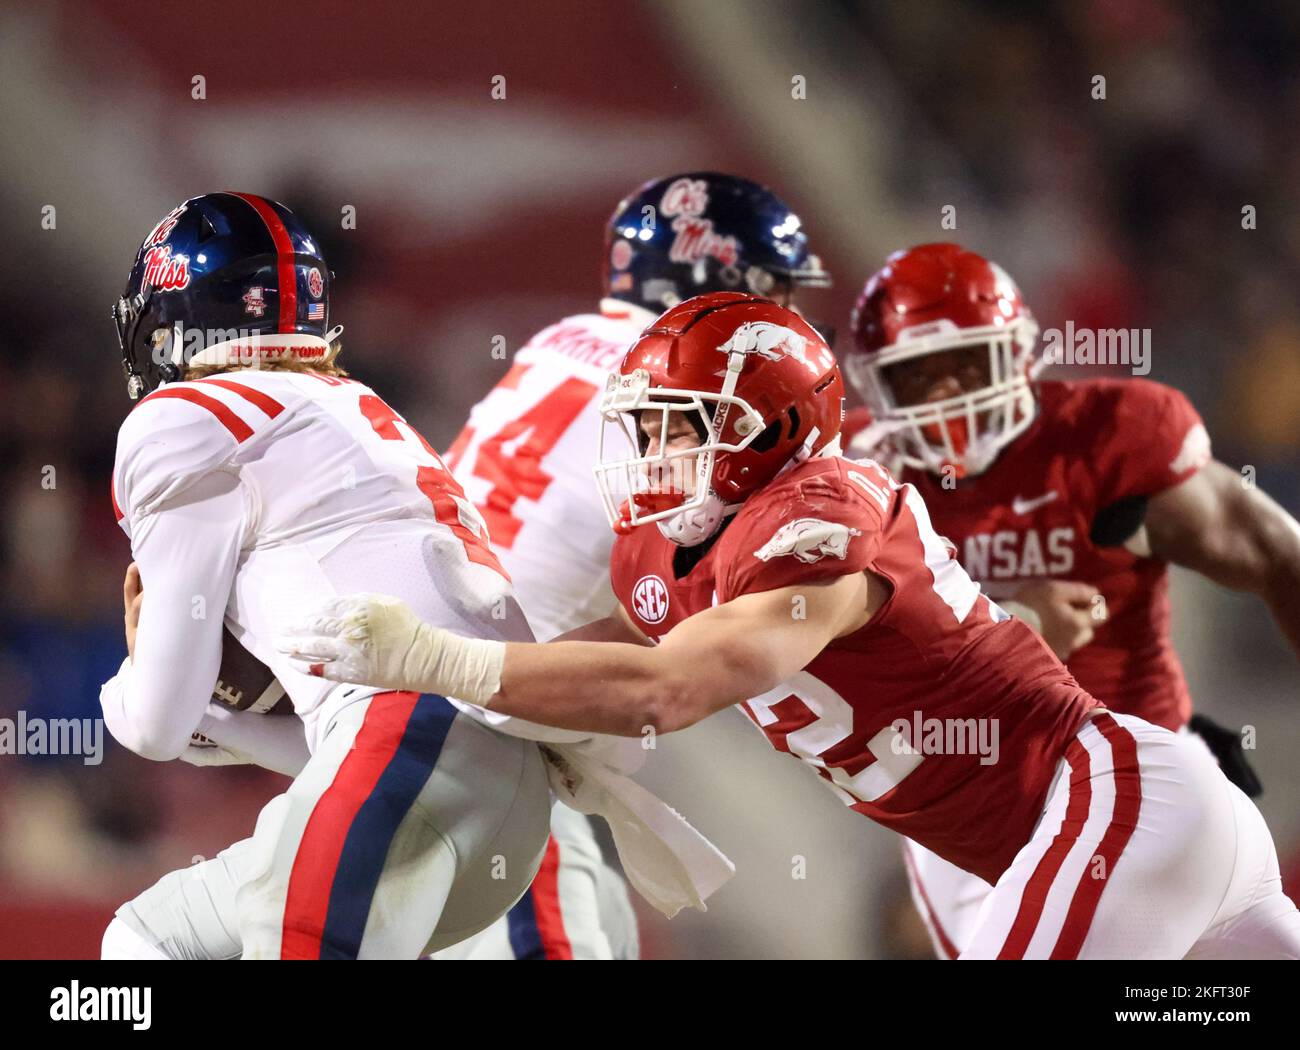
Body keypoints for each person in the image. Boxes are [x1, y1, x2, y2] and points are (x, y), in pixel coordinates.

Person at [283, 291, 1300, 958]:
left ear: (766, 429)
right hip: (1081, 842)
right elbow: (612, 660)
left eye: (678, 425)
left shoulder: (818, 513)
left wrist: (439, 658)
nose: (649, 451)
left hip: (1114, 811)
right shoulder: (662, 551)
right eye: (642, 425)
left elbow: (666, 690)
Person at [99, 192, 552, 959]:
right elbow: (347, 738)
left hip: (409, 753)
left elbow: (154, 725)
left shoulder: (181, 419)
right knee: (149, 940)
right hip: (495, 799)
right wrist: (226, 723)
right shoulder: (355, 408)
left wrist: (125, 688)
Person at [843, 242, 1300, 957]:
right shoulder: (855, 490)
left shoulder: (1103, 440)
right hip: (983, 813)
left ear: (1018, 353)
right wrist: (1015, 626)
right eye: (919, 376)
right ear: (878, 386)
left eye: (966, 364)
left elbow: (1280, 555)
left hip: (1149, 773)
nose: (948, 397)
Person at [436, 170, 830, 958]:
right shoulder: (691, 390)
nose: (790, 321)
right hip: (499, 735)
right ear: (725, 281)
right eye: (778, 295)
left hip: (458, 699)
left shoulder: (559, 340)